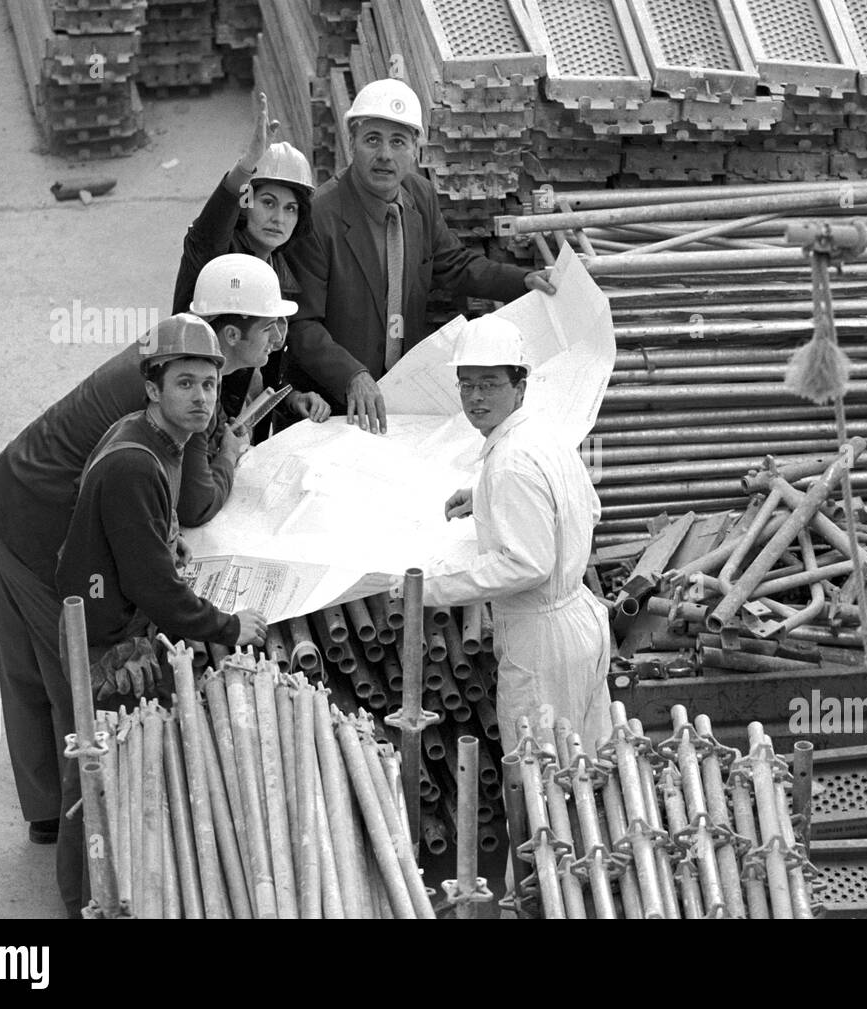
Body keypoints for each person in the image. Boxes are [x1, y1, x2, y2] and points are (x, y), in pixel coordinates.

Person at [0, 255, 293, 853]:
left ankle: (46, 811)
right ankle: (81, 836)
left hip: (16, 487)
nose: (278, 339)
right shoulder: (187, 392)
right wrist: (229, 455)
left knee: (31, 661)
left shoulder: (178, 358)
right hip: (36, 516)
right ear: (229, 336)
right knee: (73, 669)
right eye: (269, 327)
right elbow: (196, 505)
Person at [54, 316, 268, 917]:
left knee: (104, 768)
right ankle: (79, 906)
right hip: (101, 640)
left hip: (106, 617)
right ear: (153, 388)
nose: (201, 398)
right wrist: (227, 627)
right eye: (185, 385)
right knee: (95, 777)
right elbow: (153, 588)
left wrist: (163, 537)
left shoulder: (152, 439)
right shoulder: (135, 460)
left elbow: (133, 533)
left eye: (209, 384)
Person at [285, 77, 557, 435]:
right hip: (333, 405)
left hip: (401, 398)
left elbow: (454, 264)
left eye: (398, 142)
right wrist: (351, 375)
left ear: (415, 149)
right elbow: (301, 324)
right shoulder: (319, 215)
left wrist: (521, 280)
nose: (385, 155)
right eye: (372, 140)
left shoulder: (419, 196)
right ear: (351, 143)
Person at [423, 316, 612, 756]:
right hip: (579, 623)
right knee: (589, 767)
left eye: (488, 383)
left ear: (519, 384)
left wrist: (425, 587)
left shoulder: (509, 461)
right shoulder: (543, 435)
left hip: (543, 641)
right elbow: (589, 507)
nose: (475, 397)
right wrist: (486, 498)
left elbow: (527, 564)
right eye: (466, 384)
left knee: (540, 777)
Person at [171, 91, 330, 434]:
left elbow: (257, 369)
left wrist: (291, 400)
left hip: (237, 437)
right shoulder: (217, 259)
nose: (280, 218)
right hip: (193, 424)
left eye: (291, 208)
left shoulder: (282, 275)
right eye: (269, 203)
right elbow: (208, 230)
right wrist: (247, 165)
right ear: (245, 202)